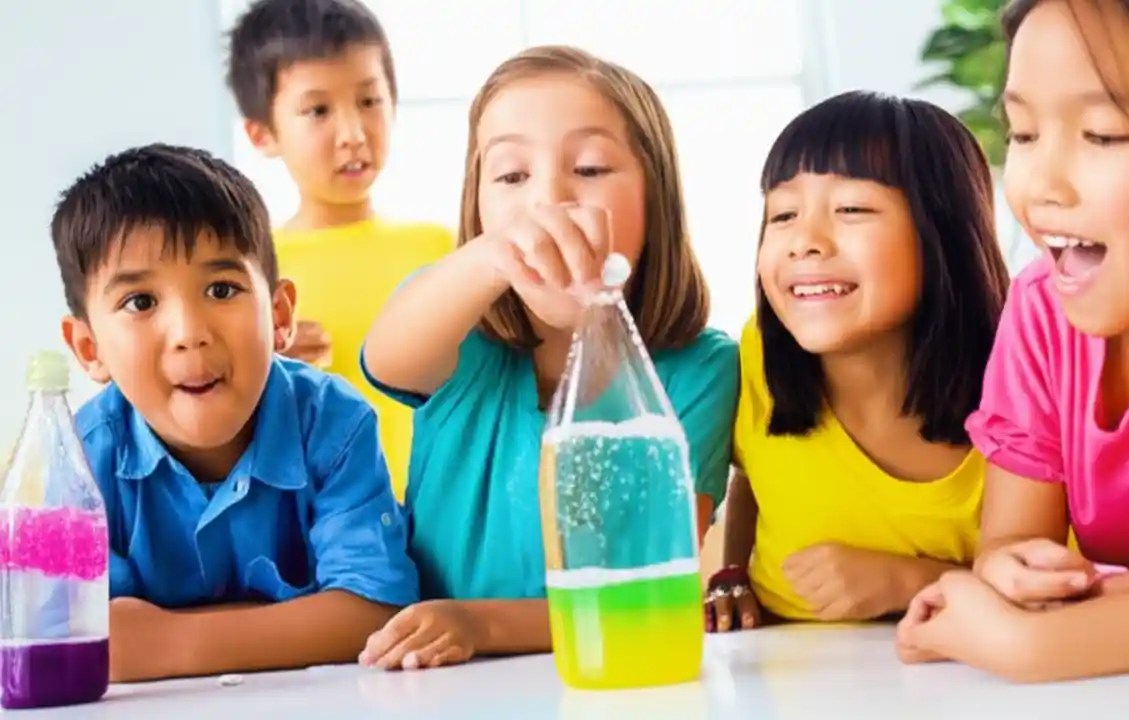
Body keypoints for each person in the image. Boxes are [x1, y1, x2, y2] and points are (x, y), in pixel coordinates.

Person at [897, 0, 1129, 681]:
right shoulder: (1043, 314)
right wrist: (1016, 574)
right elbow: (1012, 542)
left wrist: (1029, 645)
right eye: (1021, 134)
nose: (1040, 184)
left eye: (1103, 135)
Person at [357, 46, 738, 670]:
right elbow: (389, 356)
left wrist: (476, 623)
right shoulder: (461, 344)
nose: (549, 200)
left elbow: (642, 587)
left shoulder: (700, 369)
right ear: (477, 204)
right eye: (511, 176)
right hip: (429, 686)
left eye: (589, 169)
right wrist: (496, 255)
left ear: (656, 195)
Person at [54, 144, 418, 682]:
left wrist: (170, 642)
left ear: (279, 315)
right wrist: (297, 621)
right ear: (89, 349)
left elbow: (376, 612)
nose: (190, 334)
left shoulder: (334, 425)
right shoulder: (79, 462)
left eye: (221, 289)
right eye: (140, 302)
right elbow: (83, 632)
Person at [705, 91, 1008, 632]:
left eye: (851, 209)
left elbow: (1074, 579)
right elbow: (755, 471)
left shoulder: (1024, 386)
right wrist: (731, 572)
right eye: (783, 214)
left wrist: (908, 580)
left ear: (943, 232)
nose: (805, 241)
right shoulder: (756, 353)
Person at [227, 0, 454, 498]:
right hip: (325, 533)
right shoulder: (246, 273)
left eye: (370, 101)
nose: (353, 134)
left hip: (439, 518)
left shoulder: (446, 252)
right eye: (318, 110)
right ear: (262, 133)